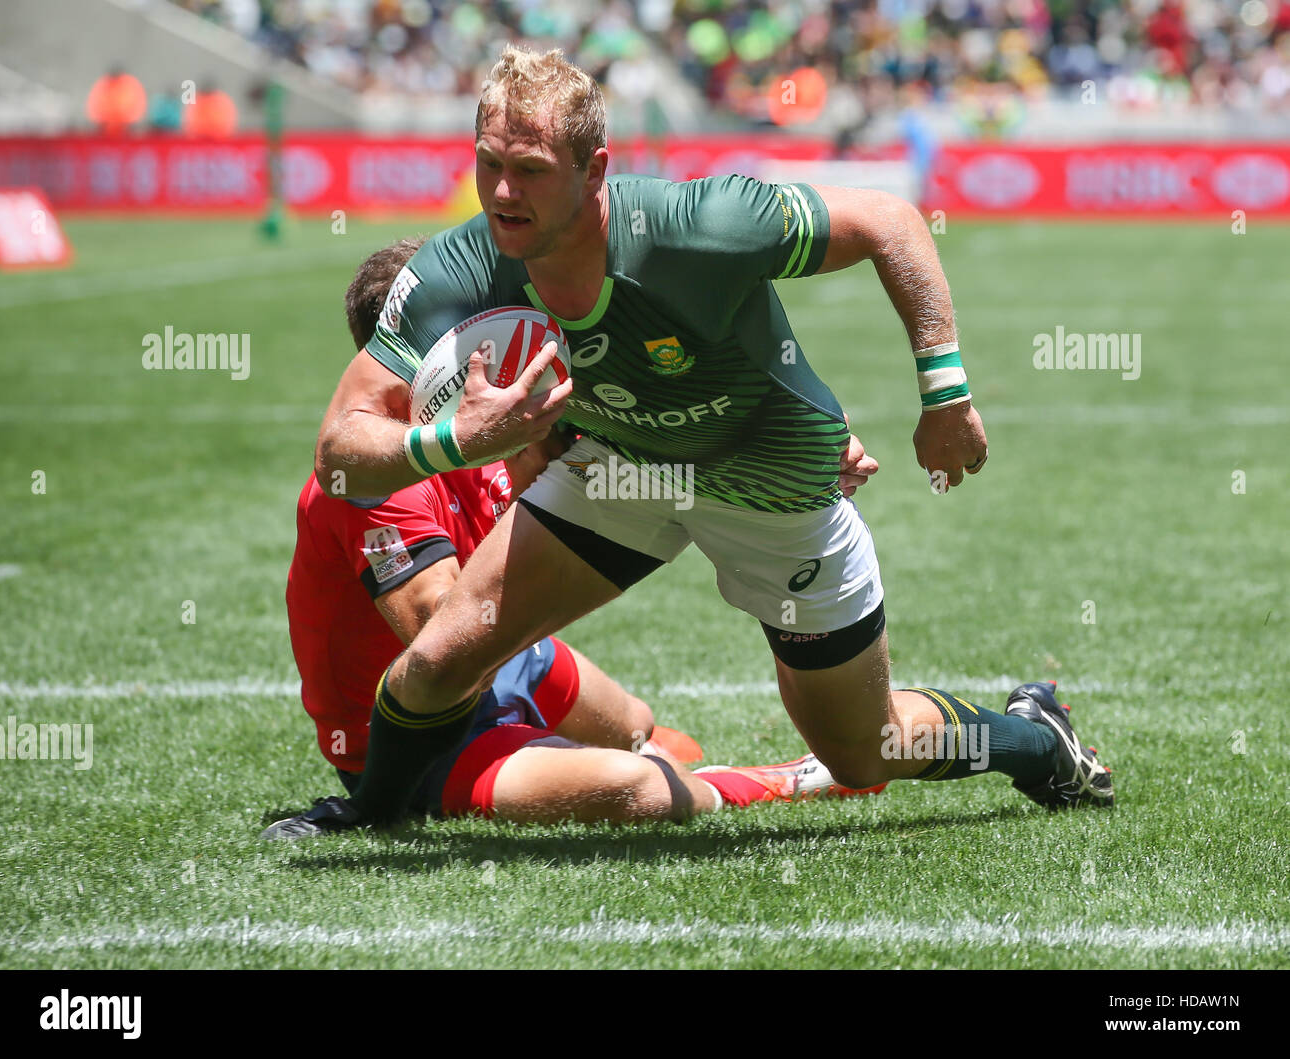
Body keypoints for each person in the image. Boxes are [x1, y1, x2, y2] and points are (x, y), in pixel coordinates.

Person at [270, 46, 1112, 838]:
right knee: (442, 657)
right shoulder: (456, 270)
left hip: (770, 486)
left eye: (530, 171)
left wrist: (947, 398)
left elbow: (892, 223)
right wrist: (455, 438)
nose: (500, 194)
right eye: (489, 163)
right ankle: (373, 817)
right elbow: (341, 451)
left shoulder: (698, 224)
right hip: (625, 472)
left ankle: (1034, 739)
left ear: (596, 171)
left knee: (865, 747)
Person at [264, 239, 882, 837]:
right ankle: (781, 779)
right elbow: (439, 642)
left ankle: (584, 751)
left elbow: (667, 438)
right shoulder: (369, 483)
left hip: (509, 663)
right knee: (636, 786)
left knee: (646, 730)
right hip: (428, 727)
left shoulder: (490, 424)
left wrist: (812, 449)